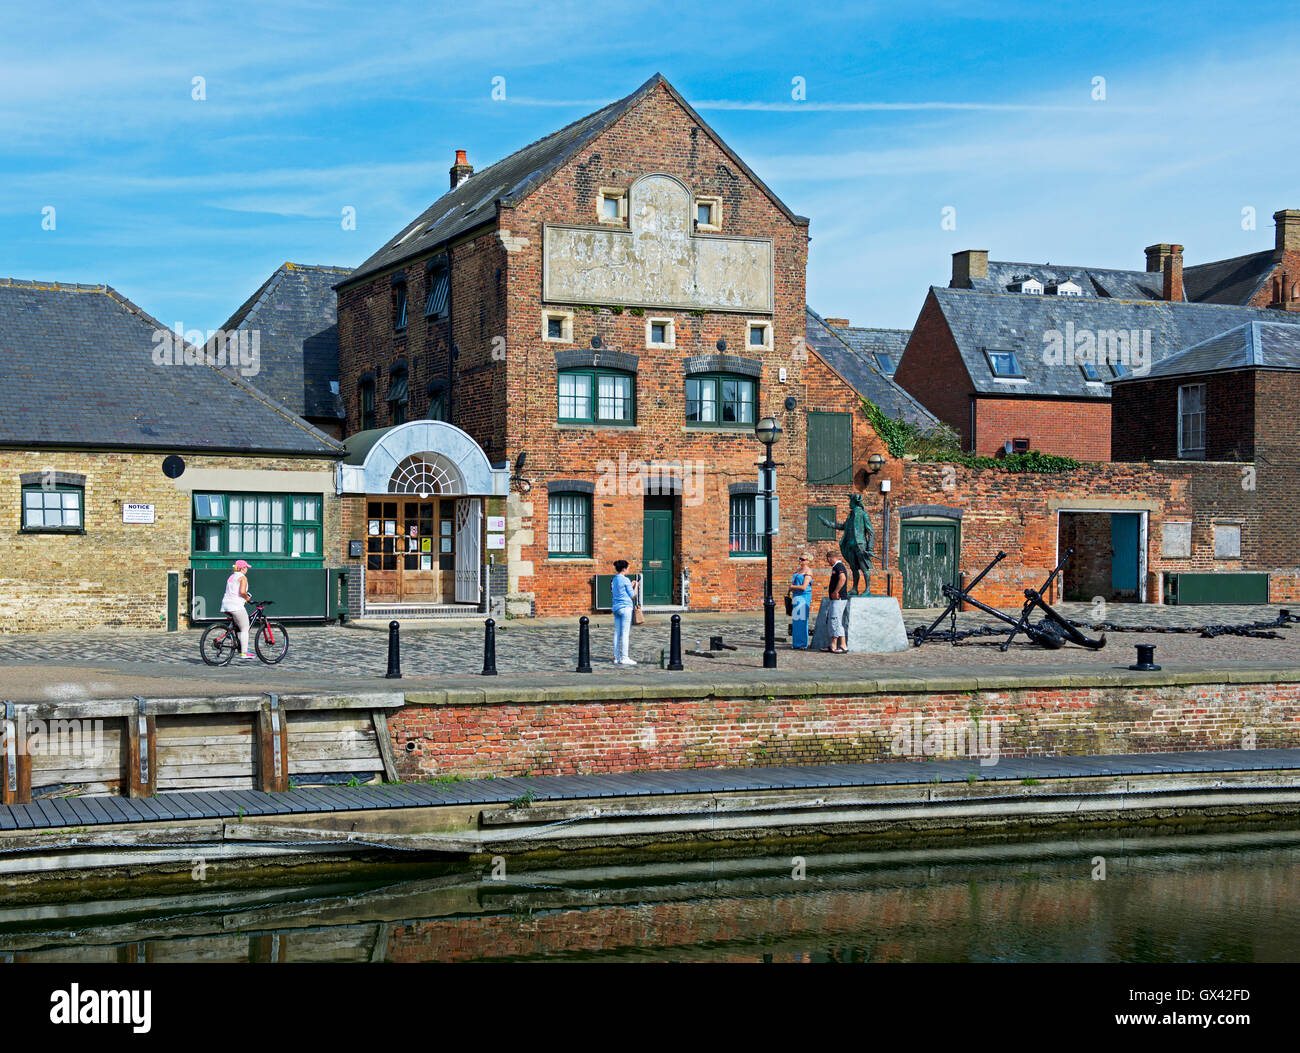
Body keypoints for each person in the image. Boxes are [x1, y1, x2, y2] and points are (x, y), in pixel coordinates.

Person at [220, 559, 255, 659]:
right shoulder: (242, 577)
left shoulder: (232, 576)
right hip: (236, 606)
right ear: (243, 568)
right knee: (245, 627)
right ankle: (244, 652)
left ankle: (240, 645)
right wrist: (247, 598)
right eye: (246, 567)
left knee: (238, 626)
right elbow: (242, 592)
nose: (247, 569)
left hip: (226, 605)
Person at [611, 559, 638, 666]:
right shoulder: (625, 580)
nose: (628, 570)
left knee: (617, 632)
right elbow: (632, 596)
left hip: (616, 607)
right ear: (623, 569)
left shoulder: (614, 579)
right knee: (625, 633)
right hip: (626, 607)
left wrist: (630, 585)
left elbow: (620, 591)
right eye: (627, 568)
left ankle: (616, 657)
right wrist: (636, 586)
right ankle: (625, 657)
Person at [822, 548, 849, 654]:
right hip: (836, 599)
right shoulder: (837, 566)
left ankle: (841, 646)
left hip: (838, 598)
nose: (828, 562)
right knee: (836, 621)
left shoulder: (838, 566)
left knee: (835, 620)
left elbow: (842, 578)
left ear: (830, 558)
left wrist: (836, 591)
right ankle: (835, 645)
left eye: (828, 560)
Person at [788, 555, 814, 649]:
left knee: (802, 620)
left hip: (803, 597)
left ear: (808, 561)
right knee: (796, 621)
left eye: (802, 559)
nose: (800, 560)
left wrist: (792, 587)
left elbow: (804, 587)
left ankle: (803, 643)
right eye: (800, 558)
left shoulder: (808, 572)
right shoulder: (798, 570)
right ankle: (796, 643)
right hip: (796, 596)